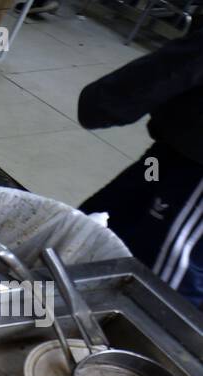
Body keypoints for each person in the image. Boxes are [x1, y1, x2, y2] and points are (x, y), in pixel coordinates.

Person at [77, 29, 203, 305]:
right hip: (167, 154)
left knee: (162, 291)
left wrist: (106, 102)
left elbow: (178, 66)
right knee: (91, 230)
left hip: (194, 179)